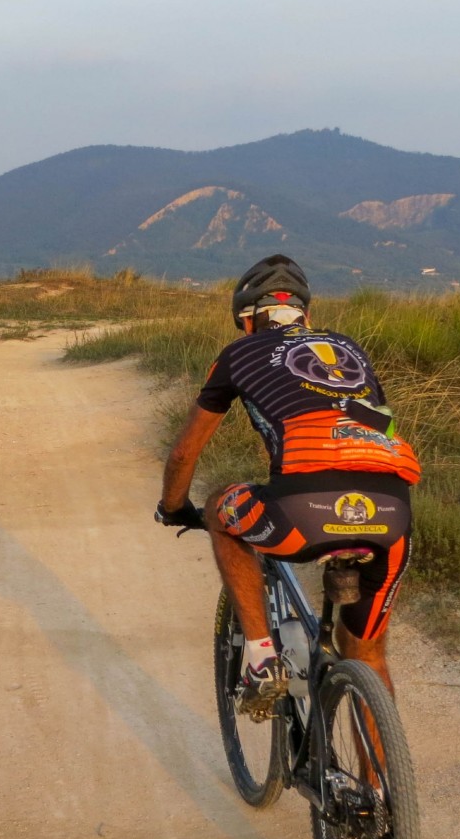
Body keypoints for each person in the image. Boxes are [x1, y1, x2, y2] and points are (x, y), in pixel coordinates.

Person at [155, 255, 420, 716]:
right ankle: (379, 788)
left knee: (221, 507)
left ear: (245, 321)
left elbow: (183, 453)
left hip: (301, 513)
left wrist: (173, 507)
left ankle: (261, 660)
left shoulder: (238, 354)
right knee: (369, 655)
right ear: (307, 316)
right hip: (391, 515)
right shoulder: (347, 346)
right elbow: (377, 424)